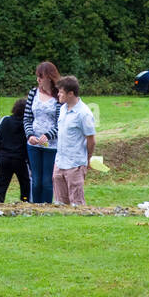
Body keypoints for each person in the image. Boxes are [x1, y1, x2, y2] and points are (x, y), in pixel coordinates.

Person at [53, 76, 96, 206]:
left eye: (61, 92)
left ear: (70, 93)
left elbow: (91, 140)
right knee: (60, 203)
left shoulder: (84, 114)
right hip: (60, 162)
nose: (58, 94)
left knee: (77, 204)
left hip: (75, 164)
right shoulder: (62, 109)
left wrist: (87, 159)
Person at [23, 61, 61, 203]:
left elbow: (61, 122)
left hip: (51, 145)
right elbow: (27, 117)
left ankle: (47, 207)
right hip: (33, 144)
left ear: (49, 77)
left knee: (47, 181)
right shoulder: (33, 93)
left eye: (41, 76)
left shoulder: (58, 96)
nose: (38, 79)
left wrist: (48, 135)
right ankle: (35, 207)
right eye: (37, 76)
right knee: (36, 180)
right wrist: (30, 135)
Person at [0, 97, 30, 203]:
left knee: (0, 184)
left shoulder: (6, 120)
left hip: (4, 157)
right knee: (25, 183)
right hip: (20, 159)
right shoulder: (27, 125)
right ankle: (25, 200)